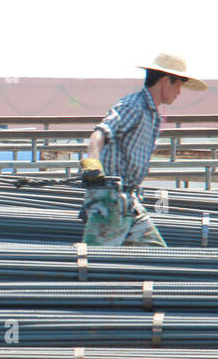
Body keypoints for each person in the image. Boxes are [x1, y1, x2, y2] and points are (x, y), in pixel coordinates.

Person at [80, 52, 208, 246]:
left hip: (129, 200)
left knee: (154, 254)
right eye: (179, 85)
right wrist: (92, 163)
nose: (179, 92)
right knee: (96, 261)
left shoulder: (152, 115)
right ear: (166, 81)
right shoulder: (134, 106)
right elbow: (99, 134)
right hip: (109, 200)